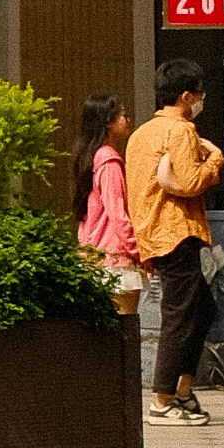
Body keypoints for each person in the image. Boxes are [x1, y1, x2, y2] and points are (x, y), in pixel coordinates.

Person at [122, 62, 224, 423]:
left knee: (203, 309)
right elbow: (192, 181)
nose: (201, 100)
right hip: (176, 232)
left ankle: (182, 389)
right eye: (198, 93)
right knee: (180, 315)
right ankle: (162, 399)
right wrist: (215, 159)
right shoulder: (181, 131)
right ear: (185, 96)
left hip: (154, 231)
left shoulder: (141, 134)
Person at [75, 95, 139, 302]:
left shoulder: (89, 157)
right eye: (123, 115)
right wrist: (138, 251)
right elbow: (118, 214)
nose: (127, 120)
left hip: (92, 256)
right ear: (108, 122)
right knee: (125, 326)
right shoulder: (110, 162)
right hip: (115, 258)